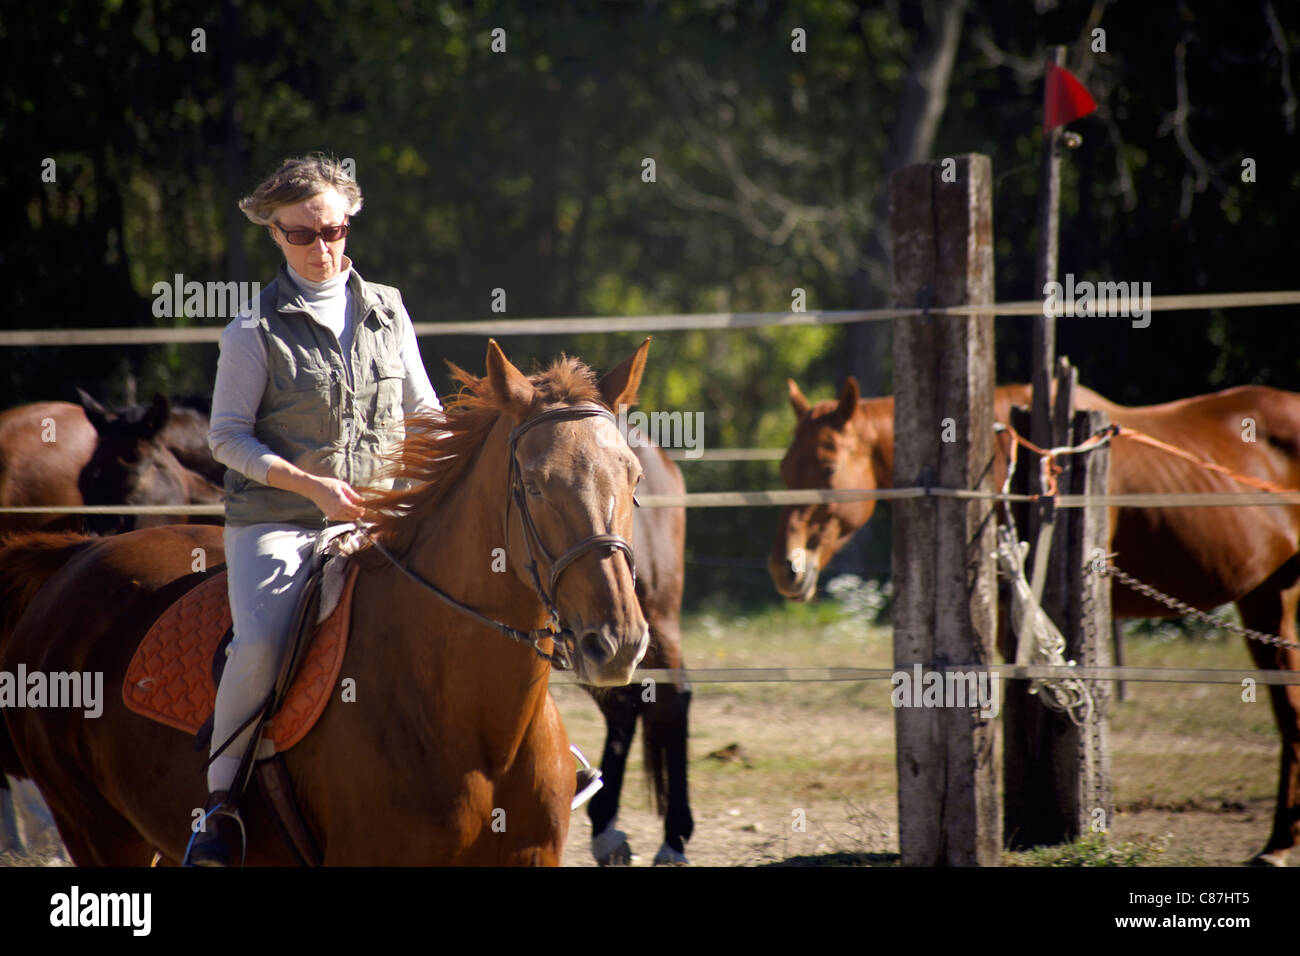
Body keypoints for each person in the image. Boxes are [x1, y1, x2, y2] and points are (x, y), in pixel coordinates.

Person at [190, 154, 440, 866]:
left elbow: (424, 414)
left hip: (380, 513)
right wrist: (312, 488)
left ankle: (540, 750)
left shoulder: (390, 307)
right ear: (276, 234)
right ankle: (219, 805)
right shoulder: (250, 330)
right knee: (263, 644)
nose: (323, 248)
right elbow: (225, 437)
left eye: (334, 230)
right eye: (303, 235)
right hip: (279, 521)